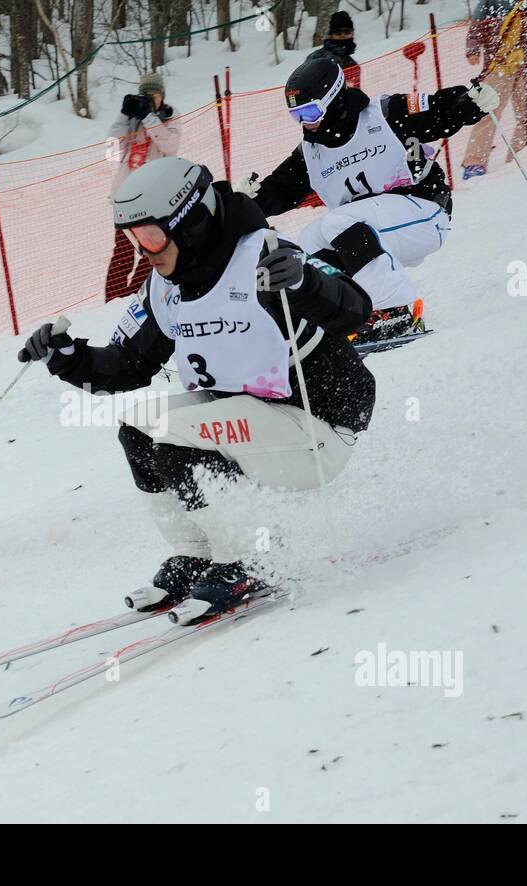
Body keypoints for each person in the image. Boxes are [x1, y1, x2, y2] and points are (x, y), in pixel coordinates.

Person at [19, 157, 379, 622]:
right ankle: (198, 552)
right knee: (138, 429)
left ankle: (250, 558)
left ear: (189, 222)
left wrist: (305, 281)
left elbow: (355, 310)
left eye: (151, 235)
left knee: (176, 436)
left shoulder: (262, 256)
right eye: (134, 239)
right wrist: (66, 357)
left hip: (316, 422)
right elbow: (127, 365)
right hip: (247, 417)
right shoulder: (166, 288)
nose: (145, 251)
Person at [236, 56, 497, 341]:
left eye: (311, 112)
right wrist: (251, 199)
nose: (306, 123)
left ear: (334, 98)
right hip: (372, 233)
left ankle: (395, 310)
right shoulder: (311, 152)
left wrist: (468, 102)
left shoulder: (384, 115)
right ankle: (342, 315)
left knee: (339, 220)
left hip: (425, 213)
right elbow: (281, 189)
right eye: (296, 116)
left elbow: (437, 110)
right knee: (310, 239)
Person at [104, 72, 180, 302]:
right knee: (123, 252)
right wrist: (123, 115)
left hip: (153, 197)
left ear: (162, 97)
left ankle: (137, 295)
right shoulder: (131, 120)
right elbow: (112, 153)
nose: (149, 100)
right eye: (145, 96)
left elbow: (170, 145)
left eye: (153, 96)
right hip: (125, 196)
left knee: (152, 247)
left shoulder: (170, 117)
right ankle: (113, 300)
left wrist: (150, 117)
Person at [461, 0, 527, 180]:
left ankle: (520, 156)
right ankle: (474, 162)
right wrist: (473, 50)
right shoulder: (489, 2)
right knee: (487, 113)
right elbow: (475, 30)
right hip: (498, 67)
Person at [310, 9, 361, 88]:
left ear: (352, 33)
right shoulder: (318, 57)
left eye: (347, 32)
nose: (343, 35)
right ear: (331, 35)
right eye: (338, 32)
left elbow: (357, 93)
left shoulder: (353, 65)